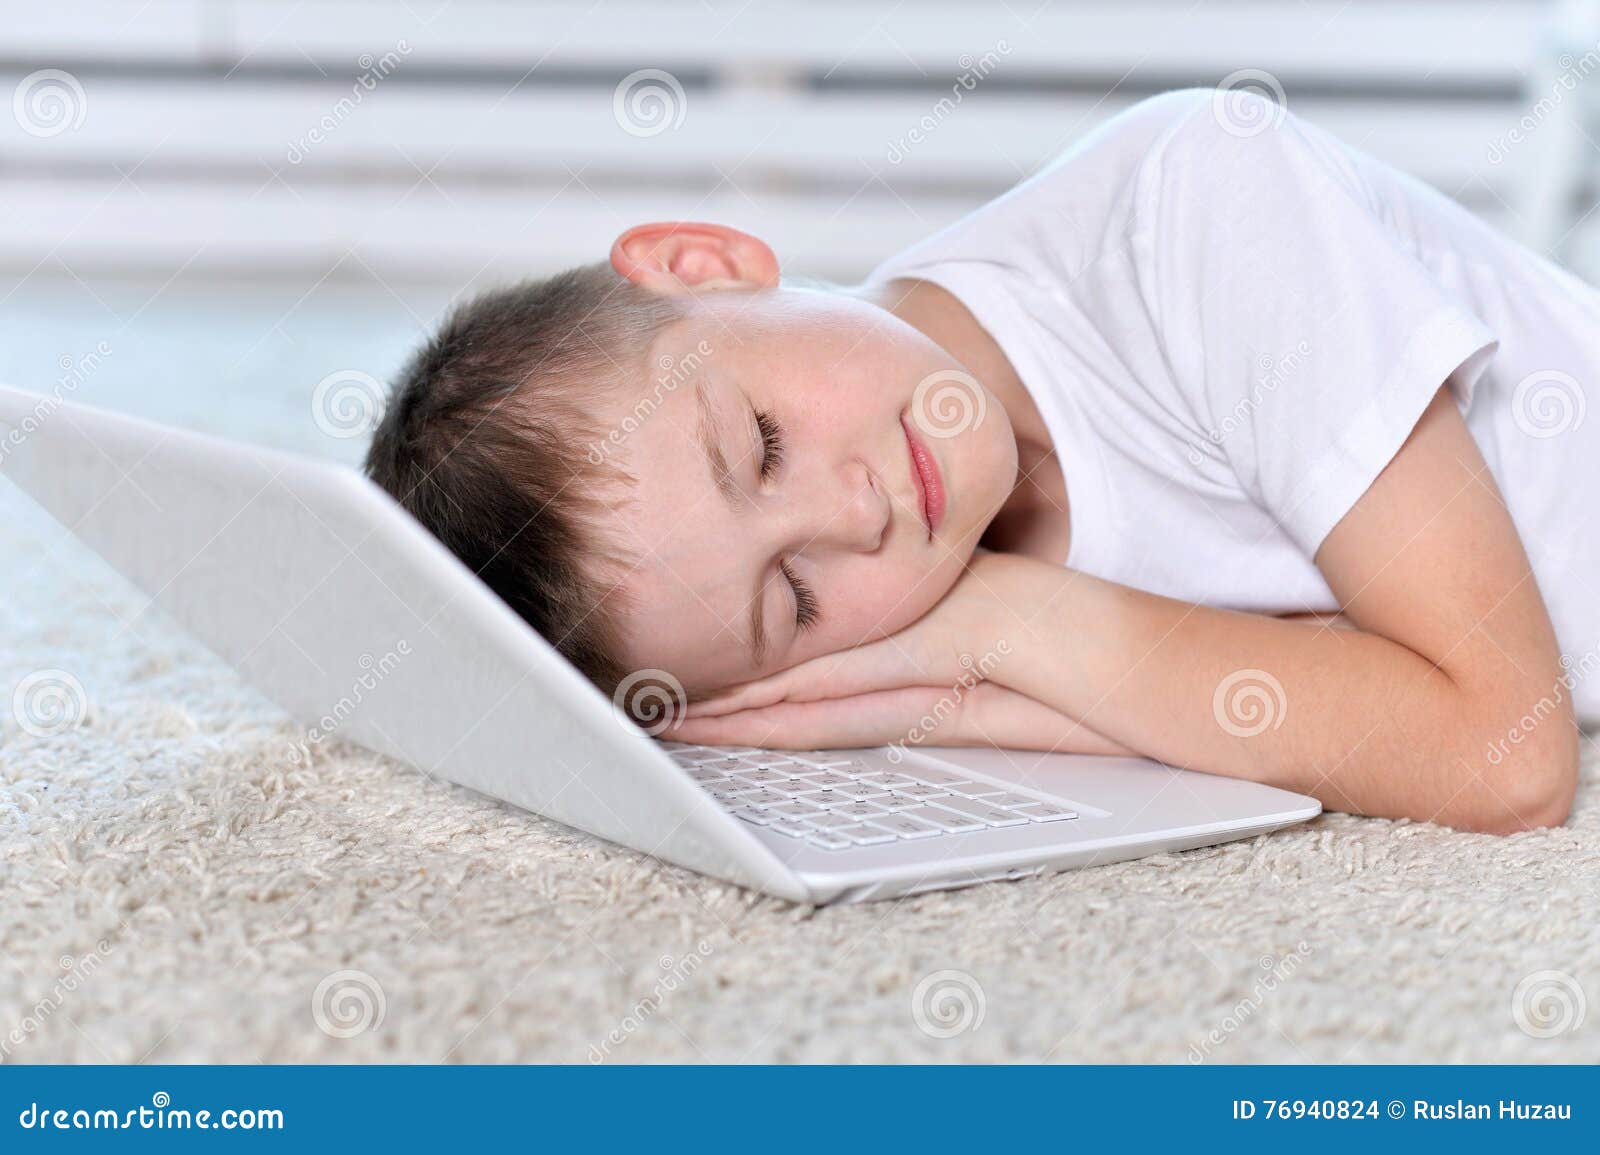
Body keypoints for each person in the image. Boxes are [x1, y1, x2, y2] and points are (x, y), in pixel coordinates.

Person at [365, 89, 1599, 833]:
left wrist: (1013, 631)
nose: (855, 518)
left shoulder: (1196, 203)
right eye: (789, 602)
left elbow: (1506, 759)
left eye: (762, 444)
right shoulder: (897, 588)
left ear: (702, 265)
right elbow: (1306, 705)